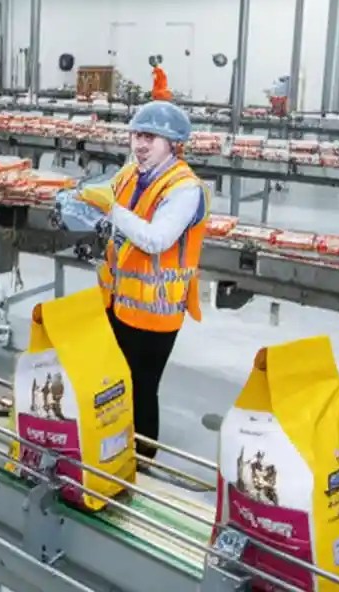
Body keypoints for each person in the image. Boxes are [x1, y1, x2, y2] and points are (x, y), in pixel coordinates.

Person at [76, 101, 208, 462]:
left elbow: (155, 239)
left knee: (143, 387)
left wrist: (111, 209)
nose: (141, 144)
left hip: (156, 309)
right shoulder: (131, 173)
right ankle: (112, 450)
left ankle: (142, 460)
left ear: (173, 143)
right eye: (137, 135)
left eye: (150, 137)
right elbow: (106, 196)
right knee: (116, 378)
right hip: (119, 300)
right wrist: (80, 200)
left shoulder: (184, 189)